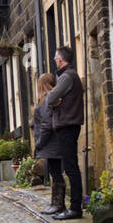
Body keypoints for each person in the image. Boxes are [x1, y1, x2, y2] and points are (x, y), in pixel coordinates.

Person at [45, 46, 85, 219]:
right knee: (70, 166)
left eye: (55, 58)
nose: (54, 60)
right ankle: (74, 206)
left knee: (71, 167)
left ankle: (75, 208)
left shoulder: (67, 76)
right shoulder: (68, 76)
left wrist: (54, 100)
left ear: (60, 60)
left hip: (67, 125)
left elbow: (50, 98)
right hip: (68, 124)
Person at [33, 71, 63, 214]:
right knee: (55, 171)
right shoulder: (52, 99)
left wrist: (39, 143)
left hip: (50, 143)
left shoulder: (45, 101)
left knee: (55, 172)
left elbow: (46, 125)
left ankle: (58, 204)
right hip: (54, 142)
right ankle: (56, 203)